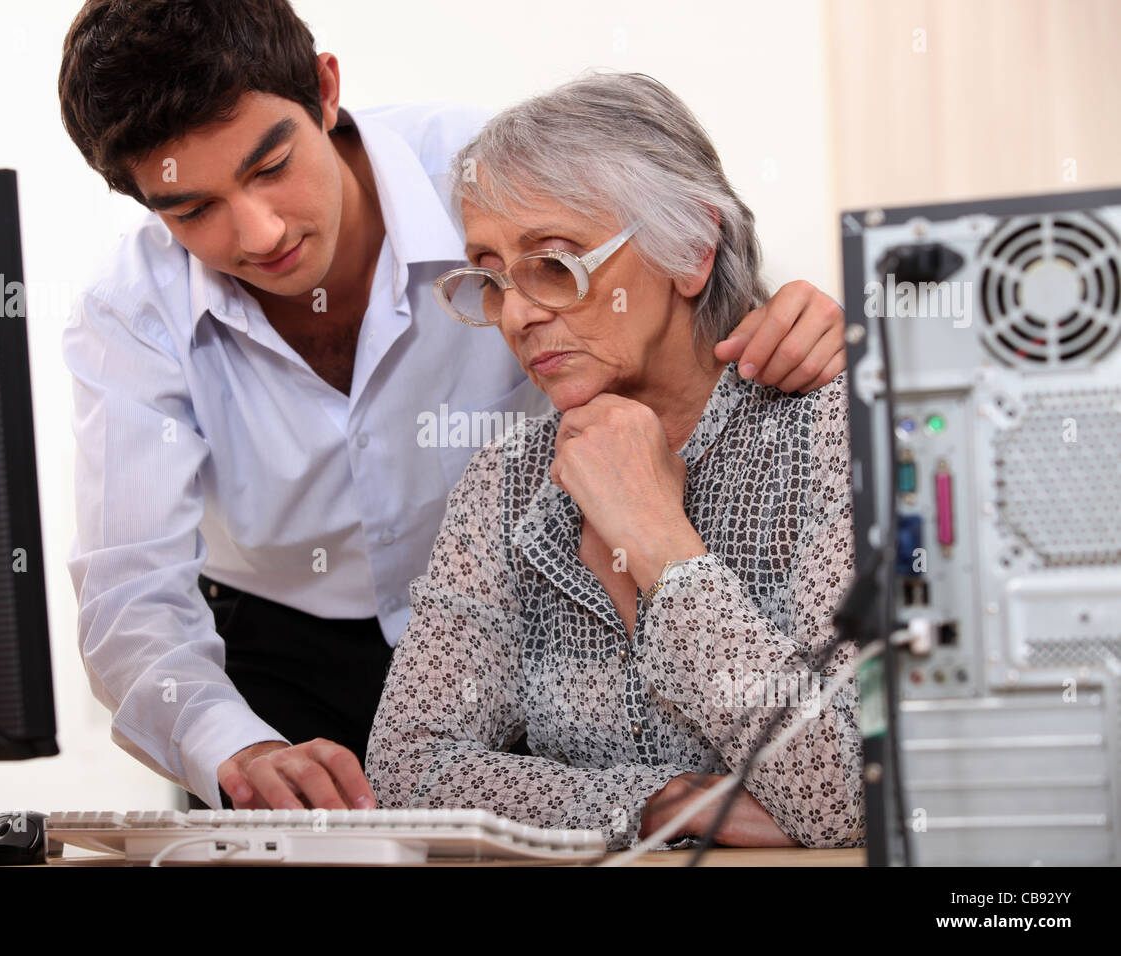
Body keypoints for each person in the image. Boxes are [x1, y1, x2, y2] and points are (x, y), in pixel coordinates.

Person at [57, 0, 849, 814]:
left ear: (326, 91)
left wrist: (808, 323)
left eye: (271, 167)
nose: (259, 233)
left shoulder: (492, 178)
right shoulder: (131, 313)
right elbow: (132, 591)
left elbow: (693, 270)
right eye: (193, 210)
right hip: (277, 644)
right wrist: (235, 744)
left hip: (499, 639)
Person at [366, 73, 862, 849]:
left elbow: (847, 797)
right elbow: (408, 773)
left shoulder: (834, 434)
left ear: (692, 250)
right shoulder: (507, 481)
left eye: (555, 265)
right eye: (490, 277)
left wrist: (661, 542)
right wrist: (656, 803)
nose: (519, 315)